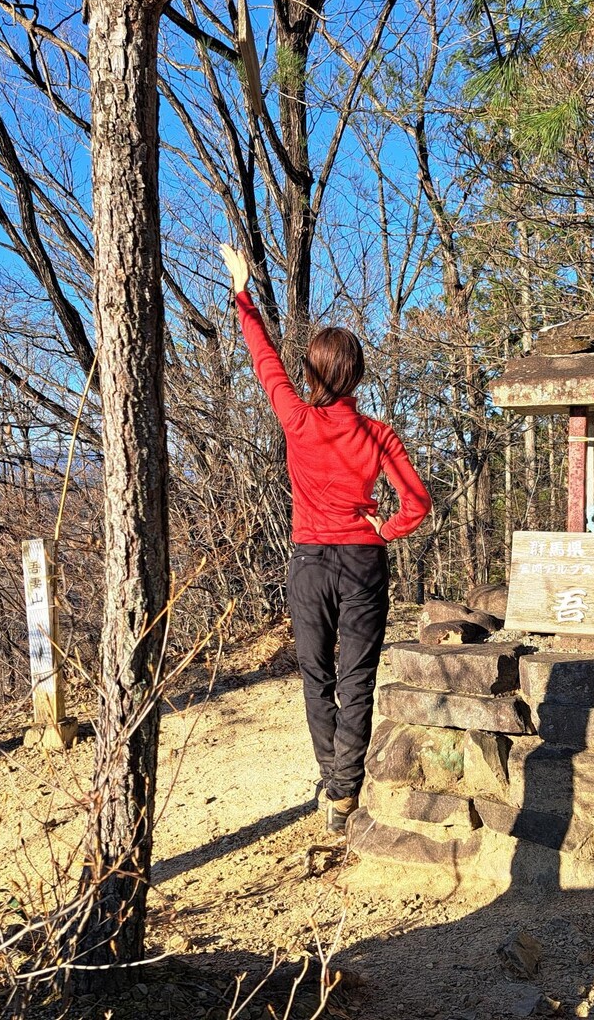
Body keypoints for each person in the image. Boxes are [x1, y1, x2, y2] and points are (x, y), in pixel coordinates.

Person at [220, 243, 432, 833]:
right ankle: (344, 792)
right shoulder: (379, 433)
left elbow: (263, 360)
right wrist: (385, 529)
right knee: (356, 675)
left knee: (317, 675)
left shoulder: (297, 418)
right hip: (364, 560)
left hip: (310, 562)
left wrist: (243, 293)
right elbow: (417, 502)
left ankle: (334, 785)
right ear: (358, 374)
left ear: (312, 375)